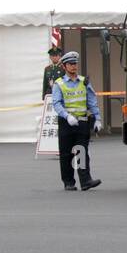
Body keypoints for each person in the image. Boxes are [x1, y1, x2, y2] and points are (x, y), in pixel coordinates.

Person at [51, 50, 102, 192]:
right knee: (66, 153)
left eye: (75, 63)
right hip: (66, 122)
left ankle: (86, 181)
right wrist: (67, 116)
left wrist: (97, 118)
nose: (74, 66)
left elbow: (92, 100)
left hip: (82, 122)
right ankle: (68, 182)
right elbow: (56, 103)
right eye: (70, 64)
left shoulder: (84, 81)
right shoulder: (59, 84)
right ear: (64, 66)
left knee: (82, 151)